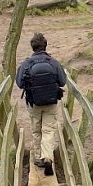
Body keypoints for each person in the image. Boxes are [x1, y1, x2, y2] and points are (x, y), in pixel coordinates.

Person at [15, 32, 67, 176]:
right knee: (48, 131)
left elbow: (19, 84)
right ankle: (48, 157)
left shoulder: (26, 64)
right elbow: (63, 81)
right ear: (45, 45)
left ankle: (38, 157)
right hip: (51, 102)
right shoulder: (53, 62)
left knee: (36, 130)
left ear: (32, 48)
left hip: (34, 103)